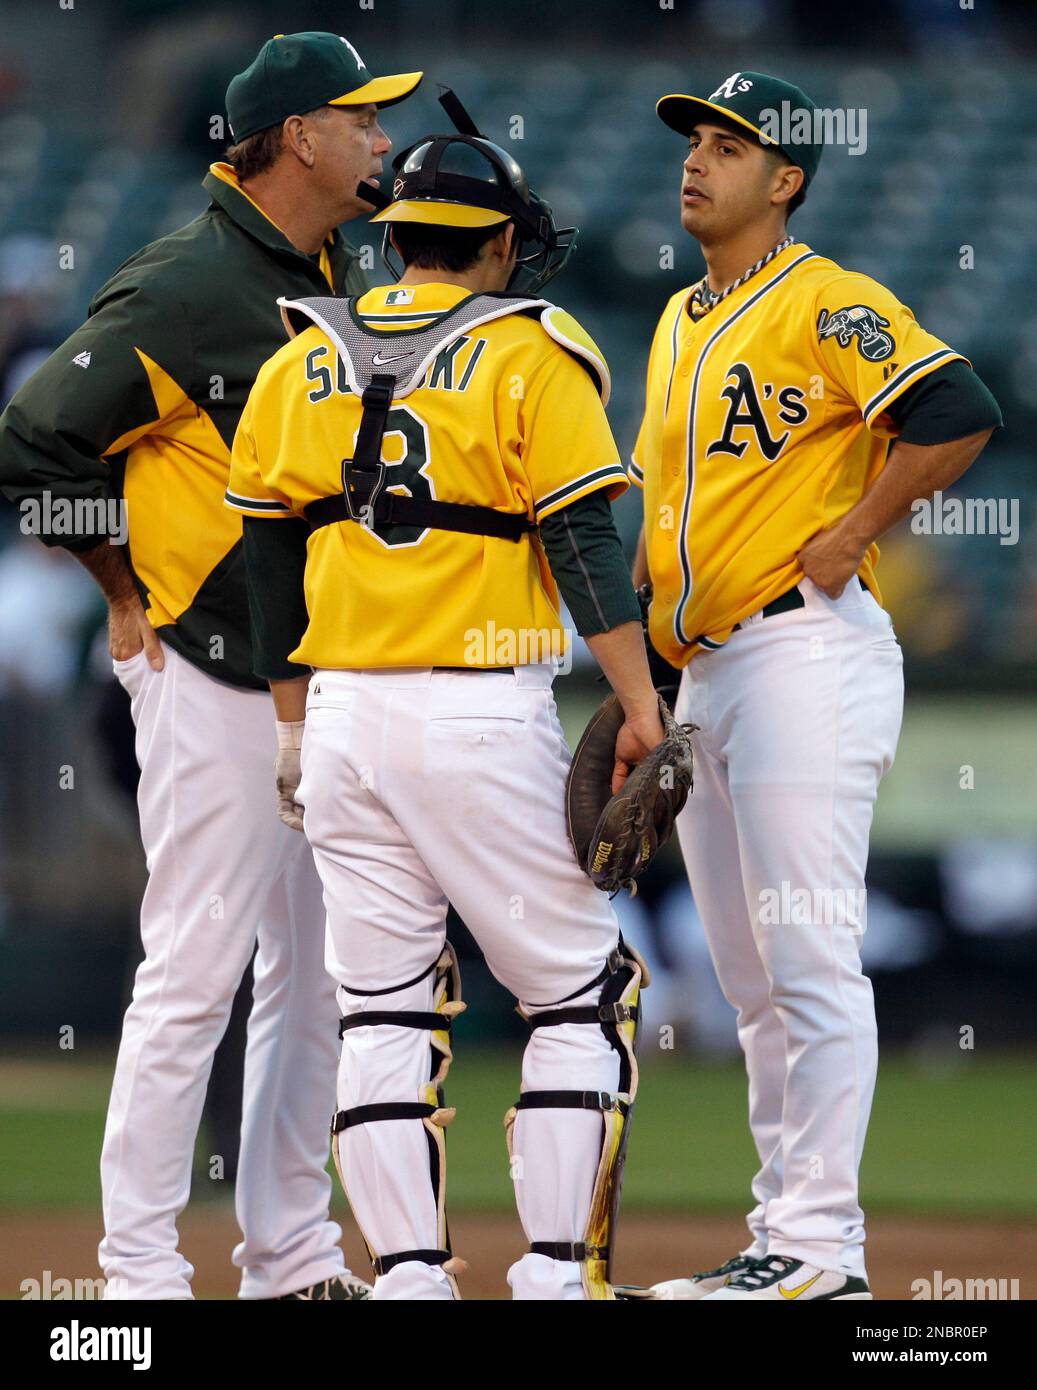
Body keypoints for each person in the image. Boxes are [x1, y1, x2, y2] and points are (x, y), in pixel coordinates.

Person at [0, 30, 422, 1301]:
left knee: (313, 981)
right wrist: (123, 588)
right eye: (360, 119)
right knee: (194, 969)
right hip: (213, 673)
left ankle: (288, 1256)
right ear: (299, 137)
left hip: (319, 676)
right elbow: (30, 442)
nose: (381, 139)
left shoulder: (328, 258)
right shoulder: (186, 282)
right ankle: (134, 1275)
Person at [227, 130, 665, 1300]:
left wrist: (287, 730)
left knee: (378, 1006)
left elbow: (266, 567)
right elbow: (580, 539)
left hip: (339, 722)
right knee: (579, 990)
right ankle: (555, 1276)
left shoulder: (296, 358)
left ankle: (411, 1281)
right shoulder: (530, 350)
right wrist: (639, 709)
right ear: (499, 243)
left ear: (396, 234)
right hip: (474, 712)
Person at [628, 71, 1001, 1301]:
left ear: (784, 180)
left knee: (806, 956)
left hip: (803, 651)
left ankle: (820, 1245)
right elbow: (664, 525)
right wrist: (643, 688)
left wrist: (859, 523)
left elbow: (956, 405)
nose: (698, 160)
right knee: (747, 977)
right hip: (703, 670)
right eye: (694, 139)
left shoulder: (824, 300)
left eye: (729, 146)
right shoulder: (679, 318)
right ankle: (778, 1236)